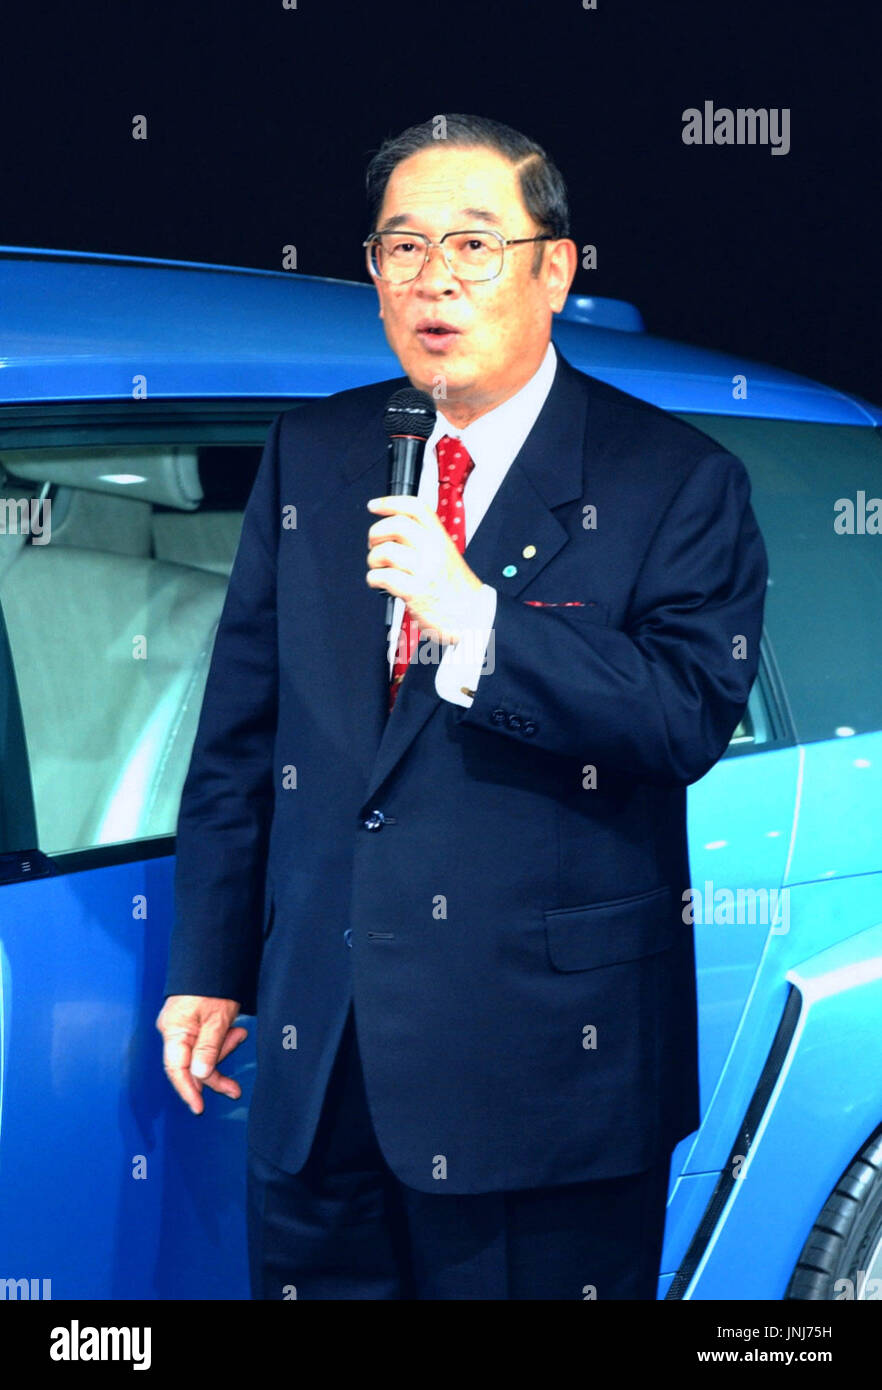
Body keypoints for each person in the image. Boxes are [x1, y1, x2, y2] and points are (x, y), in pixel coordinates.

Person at [157, 113, 768, 1300]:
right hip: (317, 1058)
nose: (434, 278)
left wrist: (479, 620)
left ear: (556, 268)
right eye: (402, 247)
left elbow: (685, 714)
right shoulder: (317, 452)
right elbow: (241, 740)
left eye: (476, 245)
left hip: (542, 1081)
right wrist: (210, 965)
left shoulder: (676, 480)